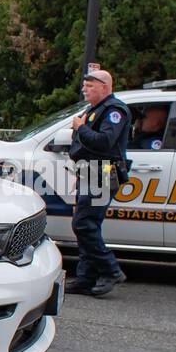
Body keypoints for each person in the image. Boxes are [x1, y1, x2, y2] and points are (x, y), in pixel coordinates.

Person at [66, 67, 130, 297]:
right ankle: (85, 279)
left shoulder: (114, 111)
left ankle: (110, 270)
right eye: (84, 85)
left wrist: (80, 127)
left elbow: (104, 142)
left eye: (90, 85)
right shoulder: (95, 109)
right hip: (91, 172)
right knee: (88, 225)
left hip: (102, 172)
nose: (84, 89)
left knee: (83, 224)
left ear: (104, 87)